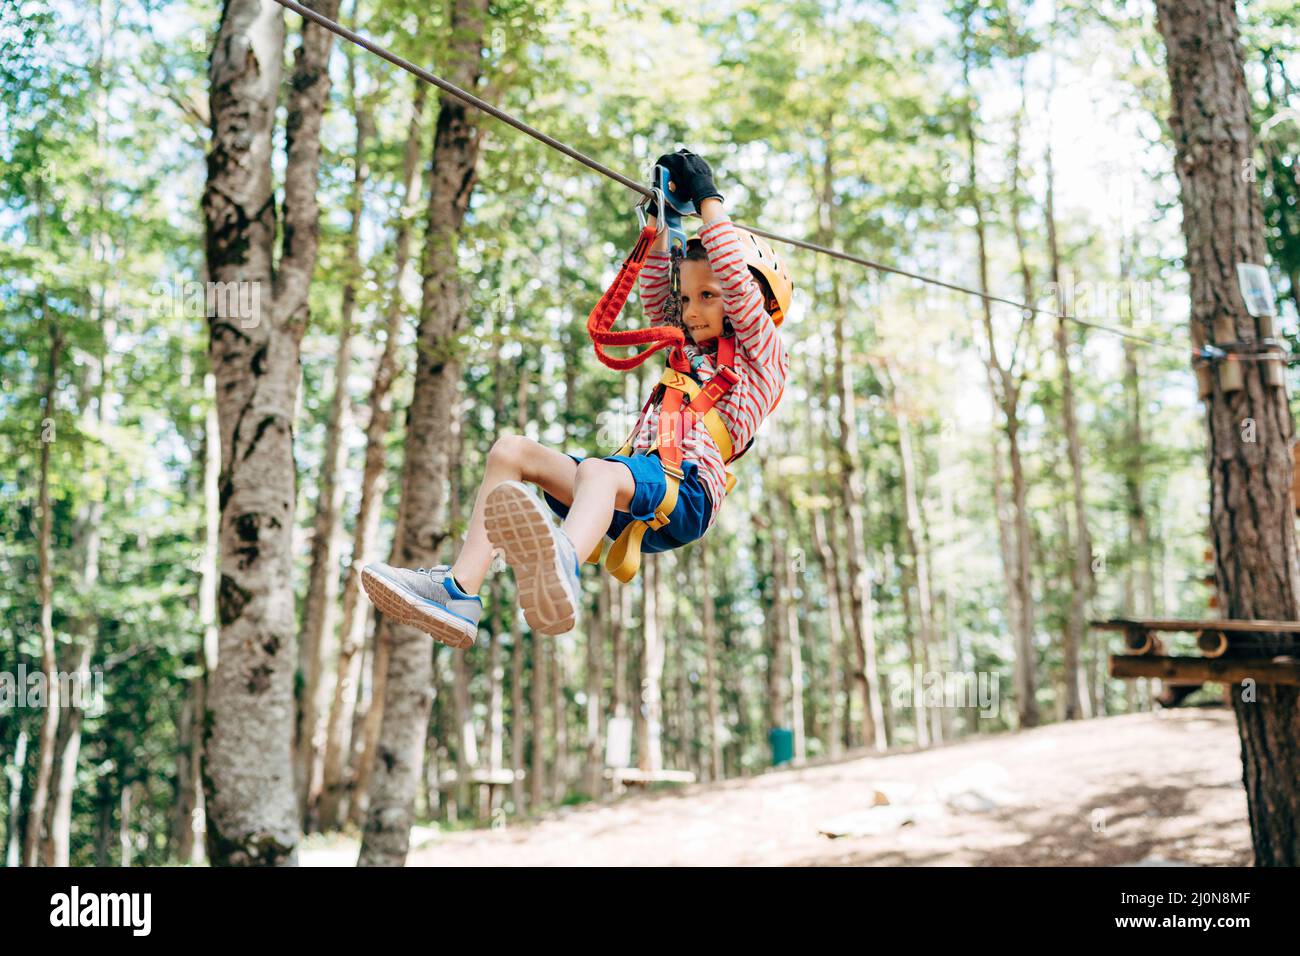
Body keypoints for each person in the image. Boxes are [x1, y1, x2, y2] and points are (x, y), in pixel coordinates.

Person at [360, 149, 791, 647]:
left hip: (687, 493)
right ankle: (459, 592)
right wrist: (661, 219)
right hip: (629, 487)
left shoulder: (763, 358)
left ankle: (561, 562)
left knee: (597, 470)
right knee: (511, 452)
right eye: (689, 297)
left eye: (707, 297)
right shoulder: (689, 345)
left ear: (751, 302)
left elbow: (736, 284)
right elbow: (657, 293)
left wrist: (709, 201)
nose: (691, 310)